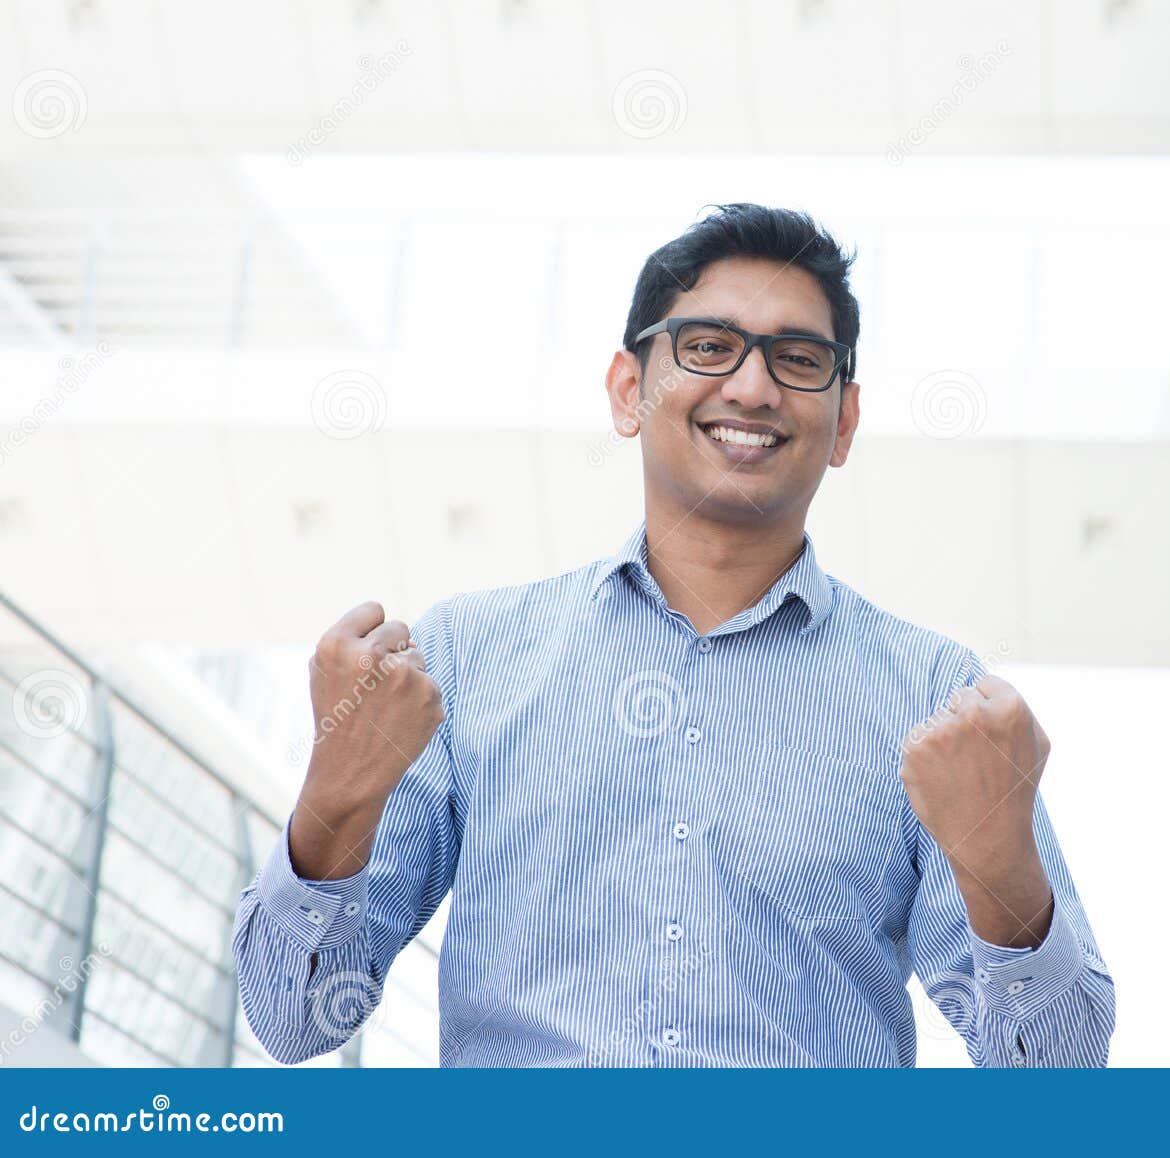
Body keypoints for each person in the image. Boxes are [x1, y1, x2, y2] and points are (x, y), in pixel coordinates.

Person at [232, 203, 1115, 1067]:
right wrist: (333, 797)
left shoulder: (934, 698)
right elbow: (291, 1017)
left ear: (843, 421)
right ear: (629, 390)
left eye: (799, 359)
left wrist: (1002, 868)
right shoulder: (467, 658)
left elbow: (1058, 1078)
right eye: (707, 346)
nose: (754, 386)